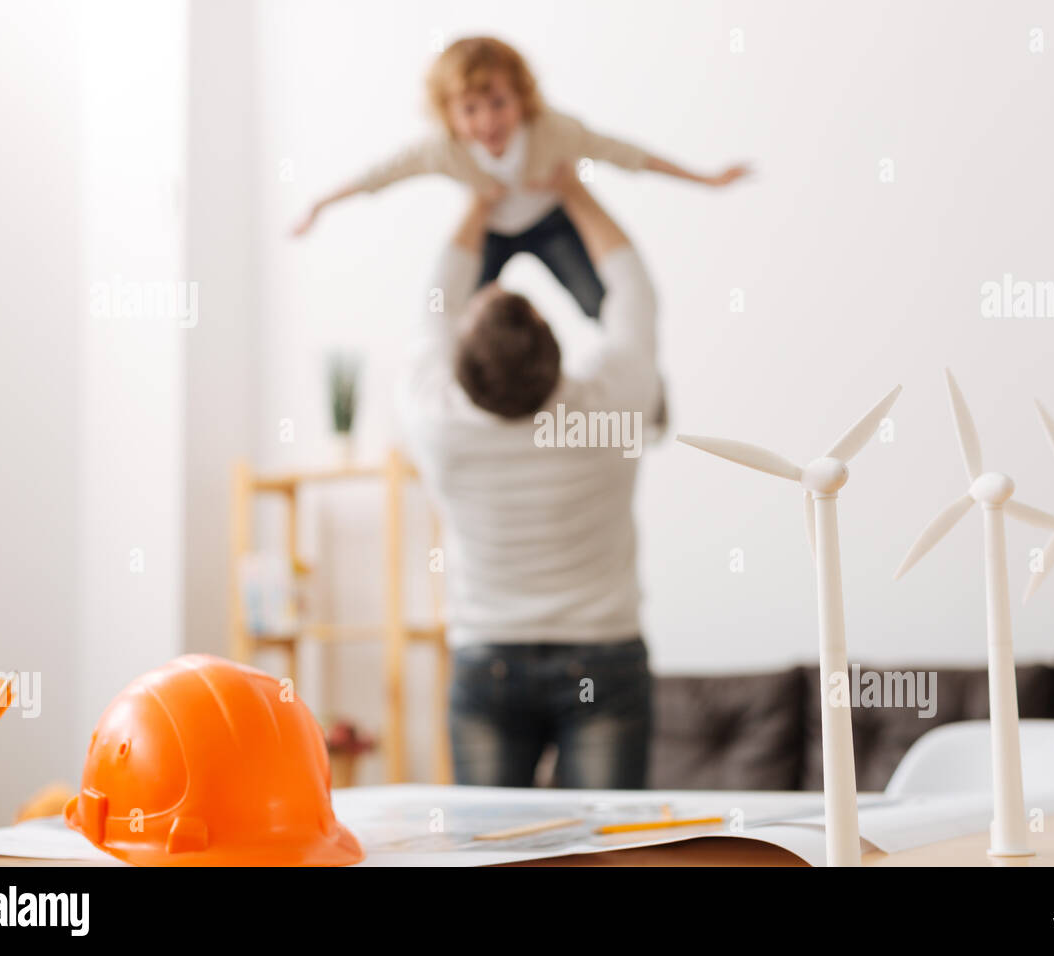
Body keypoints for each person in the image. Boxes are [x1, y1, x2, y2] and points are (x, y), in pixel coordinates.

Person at [394, 167, 658, 788]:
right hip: (604, 656)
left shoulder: (436, 418)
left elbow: (433, 305)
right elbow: (634, 293)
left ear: (461, 366)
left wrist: (475, 206)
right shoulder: (612, 405)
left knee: (491, 859)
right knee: (609, 860)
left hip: (488, 660)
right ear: (554, 344)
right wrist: (575, 190)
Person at [294, 35, 746, 322]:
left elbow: (625, 154)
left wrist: (704, 179)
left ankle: (647, 393)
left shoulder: (552, 130)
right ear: (448, 113)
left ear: (521, 98)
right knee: (457, 318)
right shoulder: (441, 150)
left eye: (498, 103)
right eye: (470, 109)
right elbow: (381, 175)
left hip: (552, 222)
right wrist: (320, 204)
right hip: (491, 231)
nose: (488, 121)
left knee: (601, 303)